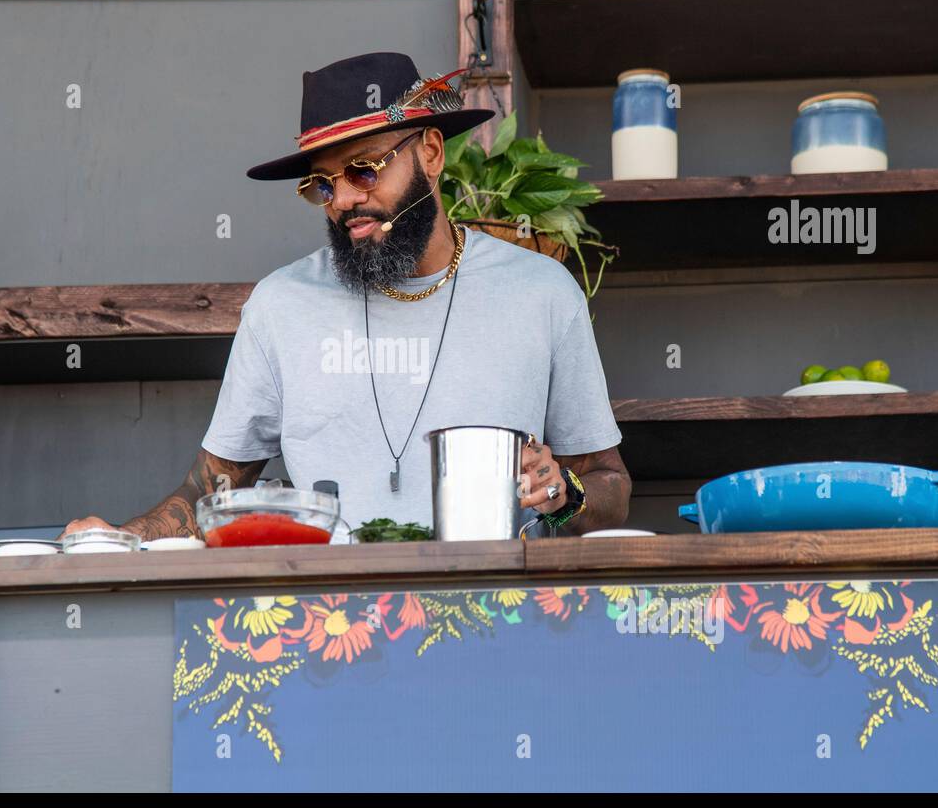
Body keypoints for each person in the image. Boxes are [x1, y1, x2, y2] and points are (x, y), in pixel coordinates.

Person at [62, 51, 630, 541]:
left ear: (431, 153)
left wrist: (565, 493)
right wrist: (126, 538)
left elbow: (611, 485)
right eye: (323, 184)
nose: (343, 200)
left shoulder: (541, 292)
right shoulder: (281, 306)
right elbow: (210, 489)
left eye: (364, 170)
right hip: (331, 628)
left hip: (495, 615)